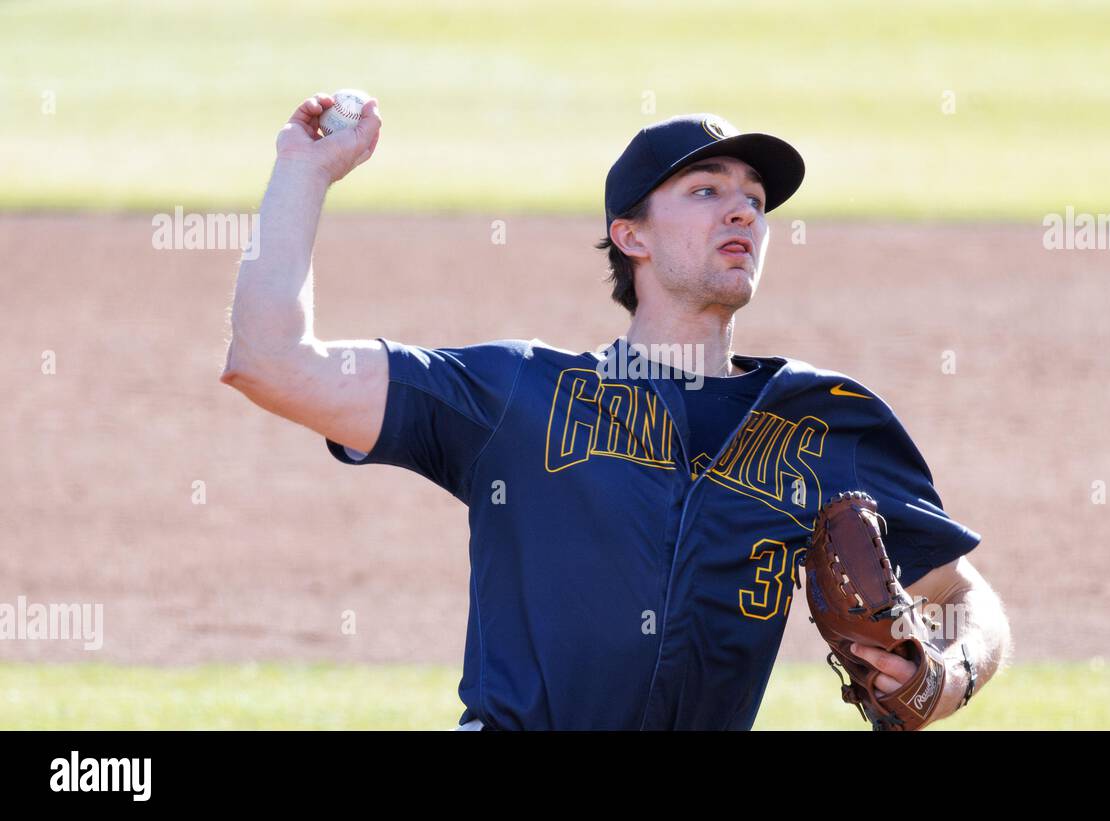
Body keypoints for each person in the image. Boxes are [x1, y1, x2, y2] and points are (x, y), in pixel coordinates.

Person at [220, 95, 1012, 730]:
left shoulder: (824, 422)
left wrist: (949, 675)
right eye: (706, 191)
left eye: (755, 199)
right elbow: (272, 363)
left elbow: (966, 596)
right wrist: (302, 173)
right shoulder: (517, 393)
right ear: (627, 233)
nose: (742, 212)